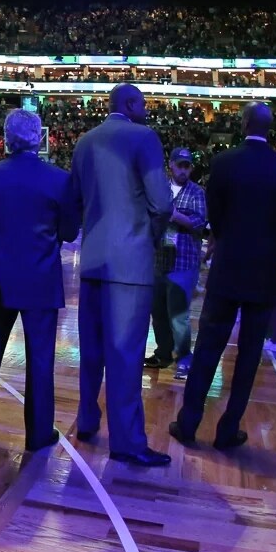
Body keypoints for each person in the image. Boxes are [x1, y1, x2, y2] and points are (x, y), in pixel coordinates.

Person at [169, 103, 276, 450]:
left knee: (208, 348)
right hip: (264, 274)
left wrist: (227, 240)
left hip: (227, 268)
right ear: (271, 128)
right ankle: (227, 432)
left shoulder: (225, 163)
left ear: (243, 124)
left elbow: (216, 215)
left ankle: (188, 424)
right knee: (248, 356)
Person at [68, 83, 173, 466]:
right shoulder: (144, 138)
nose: (147, 109)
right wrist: (149, 238)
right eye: (143, 102)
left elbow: (74, 202)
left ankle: (86, 420)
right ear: (130, 104)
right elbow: (162, 203)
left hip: (92, 261)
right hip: (129, 264)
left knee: (91, 352)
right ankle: (127, 443)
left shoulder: (84, 142)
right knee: (126, 357)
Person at [0, 109, 78, 451]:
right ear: (39, 138)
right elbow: (69, 231)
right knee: (41, 361)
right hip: (41, 280)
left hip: (0, 277)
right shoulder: (60, 179)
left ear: (6, 139)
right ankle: (39, 433)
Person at [144, 147, 207, 378]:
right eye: (180, 165)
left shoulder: (197, 192)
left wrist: (173, 214)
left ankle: (184, 358)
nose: (183, 170)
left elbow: (199, 223)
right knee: (158, 312)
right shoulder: (159, 190)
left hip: (183, 262)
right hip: (159, 260)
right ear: (170, 165)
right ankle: (163, 353)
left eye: (187, 166)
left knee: (179, 315)